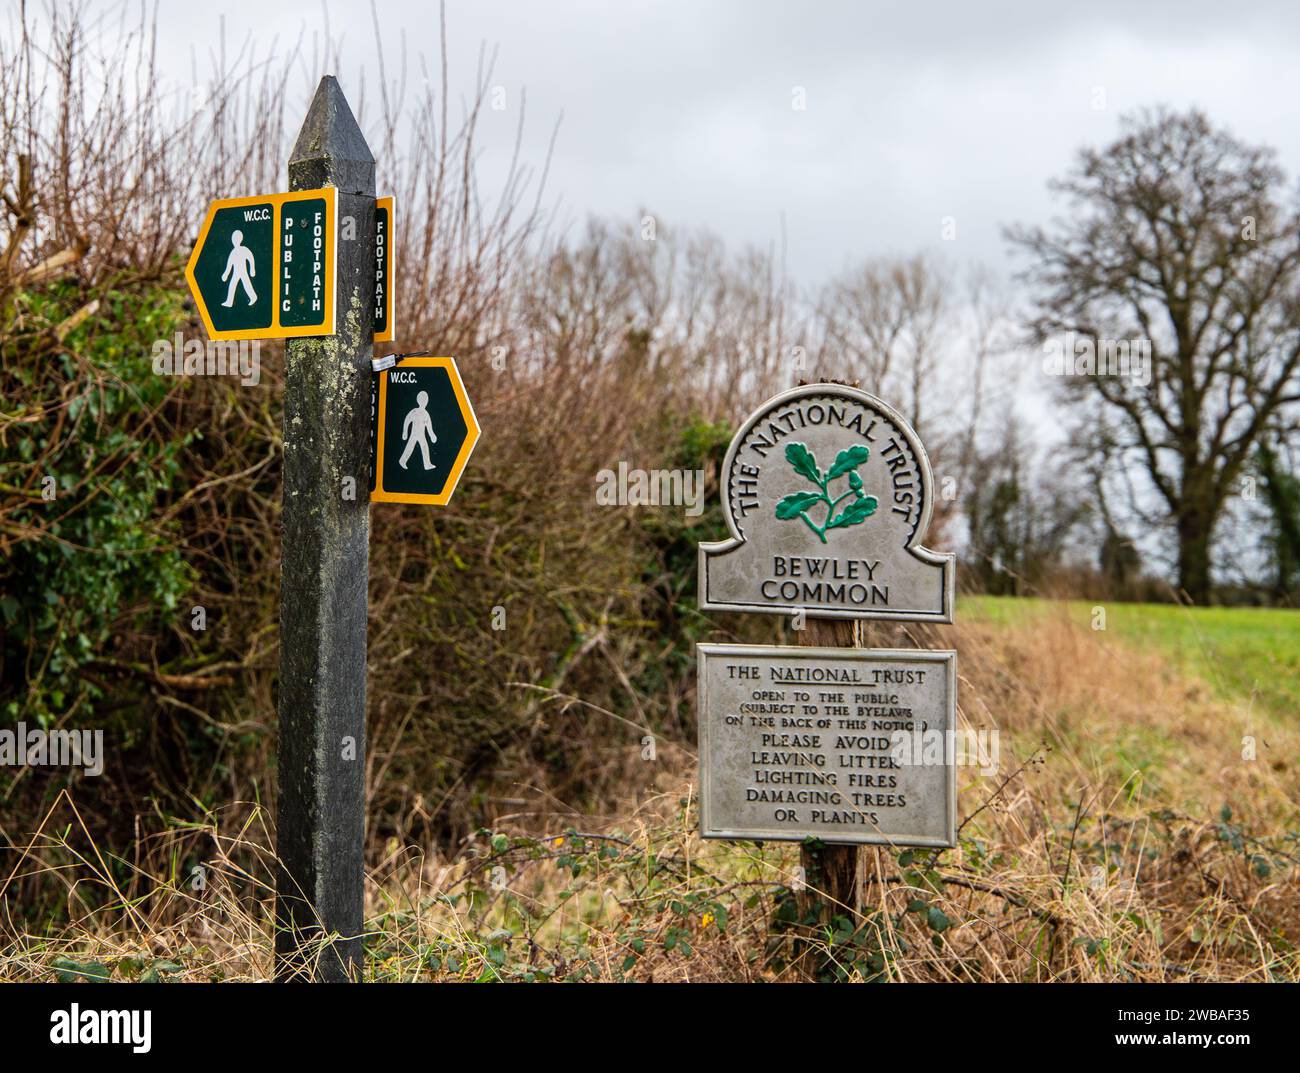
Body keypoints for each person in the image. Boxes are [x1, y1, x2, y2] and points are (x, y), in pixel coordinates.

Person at [398, 390, 437, 470]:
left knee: (425, 447)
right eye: (422, 399)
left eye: (425, 400)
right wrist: (405, 432)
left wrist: (432, 435)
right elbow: (407, 421)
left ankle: (427, 464)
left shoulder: (426, 414)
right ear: (418, 400)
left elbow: (429, 427)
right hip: (414, 434)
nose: (424, 402)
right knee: (409, 447)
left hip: (421, 435)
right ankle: (402, 461)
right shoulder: (414, 411)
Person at [220, 229, 257, 308]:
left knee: (246, 284)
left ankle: (253, 297)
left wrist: (252, 269)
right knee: (232, 285)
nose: (234, 241)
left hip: (243, 271)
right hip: (236, 272)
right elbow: (229, 265)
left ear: (240, 239)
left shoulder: (244, 249)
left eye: (236, 239)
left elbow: (250, 258)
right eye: (234, 239)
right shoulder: (233, 252)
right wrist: (225, 274)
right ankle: (229, 301)